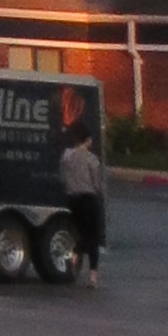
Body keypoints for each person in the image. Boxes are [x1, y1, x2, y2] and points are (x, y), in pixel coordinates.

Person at [59, 89, 107, 283]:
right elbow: (97, 182)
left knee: (79, 231)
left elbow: (63, 176)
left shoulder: (66, 157)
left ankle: (76, 255)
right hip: (89, 199)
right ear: (87, 140)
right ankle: (93, 275)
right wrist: (98, 191)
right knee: (92, 236)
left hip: (73, 199)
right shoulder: (91, 159)